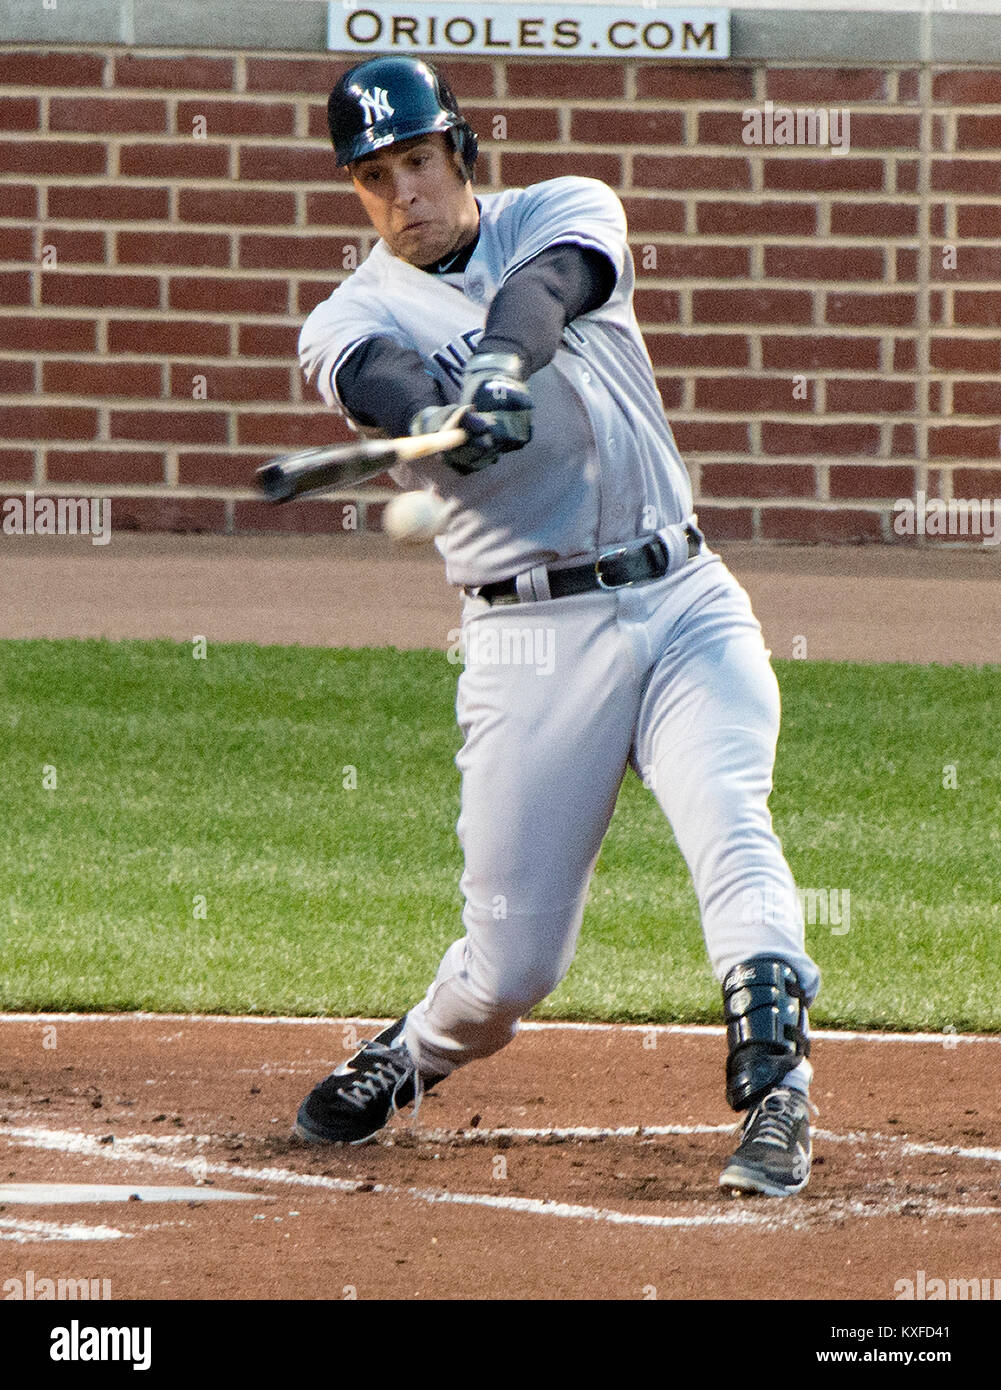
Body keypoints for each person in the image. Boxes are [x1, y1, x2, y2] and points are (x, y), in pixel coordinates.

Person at [294, 55, 820, 1197]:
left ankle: (776, 1089)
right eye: (374, 177)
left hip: (684, 599)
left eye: (420, 161)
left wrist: (496, 363)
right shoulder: (347, 316)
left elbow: (547, 290)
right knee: (508, 969)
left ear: (460, 151)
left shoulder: (565, 206)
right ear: (356, 192)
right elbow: (379, 382)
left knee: (730, 818)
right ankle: (413, 1052)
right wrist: (444, 419)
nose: (405, 194)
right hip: (532, 645)